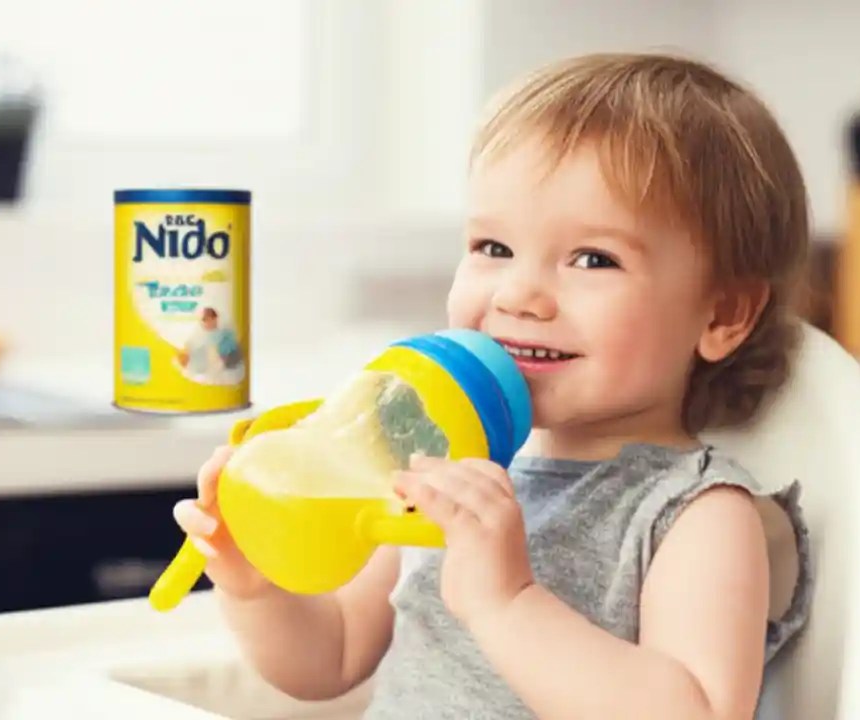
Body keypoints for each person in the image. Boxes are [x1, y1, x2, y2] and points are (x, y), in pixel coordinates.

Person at [173, 51, 814, 719]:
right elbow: (329, 656)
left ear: (722, 314)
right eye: (493, 249)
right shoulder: (436, 465)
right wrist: (253, 588)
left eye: (593, 258)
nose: (519, 295)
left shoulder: (696, 515)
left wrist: (505, 601)